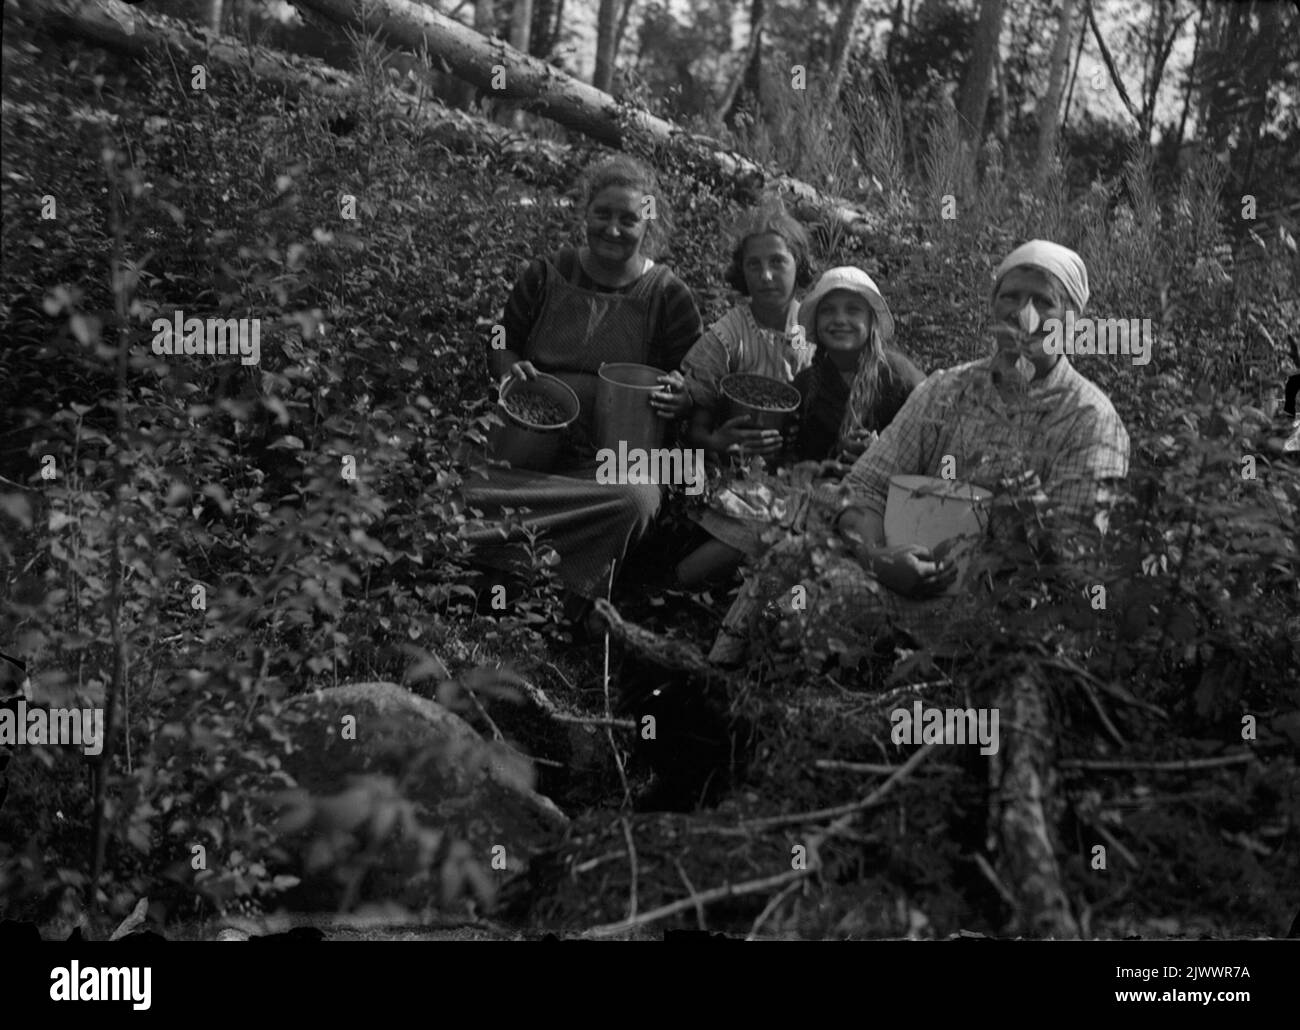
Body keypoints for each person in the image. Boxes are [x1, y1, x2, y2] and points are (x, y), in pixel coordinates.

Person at [708, 239, 1131, 666]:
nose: (1024, 313)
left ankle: (774, 685)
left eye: (1045, 301)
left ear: (1074, 322)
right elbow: (864, 486)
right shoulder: (948, 389)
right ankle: (721, 671)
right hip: (900, 572)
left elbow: (1076, 569)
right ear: (992, 305)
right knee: (787, 557)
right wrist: (879, 557)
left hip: (999, 611)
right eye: (1012, 296)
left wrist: (1032, 510)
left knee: (829, 595)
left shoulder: (1088, 419)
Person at [462, 156, 703, 609]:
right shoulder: (546, 273)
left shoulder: (669, 295)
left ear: (647, 224)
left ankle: (543, 586)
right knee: (462, 482)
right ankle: (512, 574)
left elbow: (693, 380)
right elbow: (499, 337)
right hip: (529, 446)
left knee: (636, 500)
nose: (613, 229)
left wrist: (682, 397)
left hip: (612, 462)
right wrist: (509, 370)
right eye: (602, 215)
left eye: (629, 219)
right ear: (585, 214)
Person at [676, 265, 925, 587]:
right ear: (816, 325)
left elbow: (928, 439)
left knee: (778, 529)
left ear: (871, 322)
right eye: (829, 312)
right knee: (761, 518)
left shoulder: (898, 376)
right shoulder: (809, 384)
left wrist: (880, 452)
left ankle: (684, 585)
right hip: (817, 493)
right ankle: (672, 585)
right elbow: (798, 455)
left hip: (877, 502)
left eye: (853, 310)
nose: (840, 320)